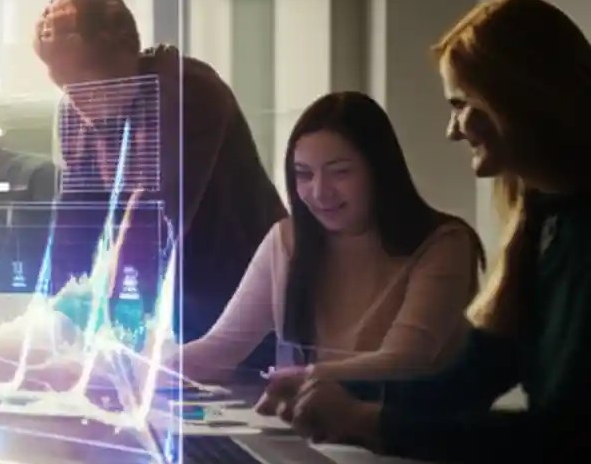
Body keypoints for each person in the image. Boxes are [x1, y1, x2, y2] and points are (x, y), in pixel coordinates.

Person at [257, 0, 591, 464]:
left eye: (462, 105)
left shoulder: (564, 234)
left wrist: (367, 421)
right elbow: (469, 382)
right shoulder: (544, 220)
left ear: (516, 101)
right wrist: (334, 393)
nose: (453, 130)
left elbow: (561, 441)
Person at [33, 0, 286, 360]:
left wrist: (114, 321)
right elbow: (75, 218)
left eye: (87, 88)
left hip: (233, 286)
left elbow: (152, 216)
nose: (77, 104)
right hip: (168, 292)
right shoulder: (76, 113)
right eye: (65, 88)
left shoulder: (185, 92)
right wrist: (58, 310)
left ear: (124, 61)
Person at [167, 92, 485, 387]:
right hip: (313, 431)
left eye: (340, 172)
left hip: (406, 435)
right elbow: (220, 350)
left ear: (380, 170)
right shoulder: (287, 241)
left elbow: (405, 361)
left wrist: (300, 378)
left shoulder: (443, 243)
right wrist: (144, 373)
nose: (319, 192)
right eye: (304, 175)